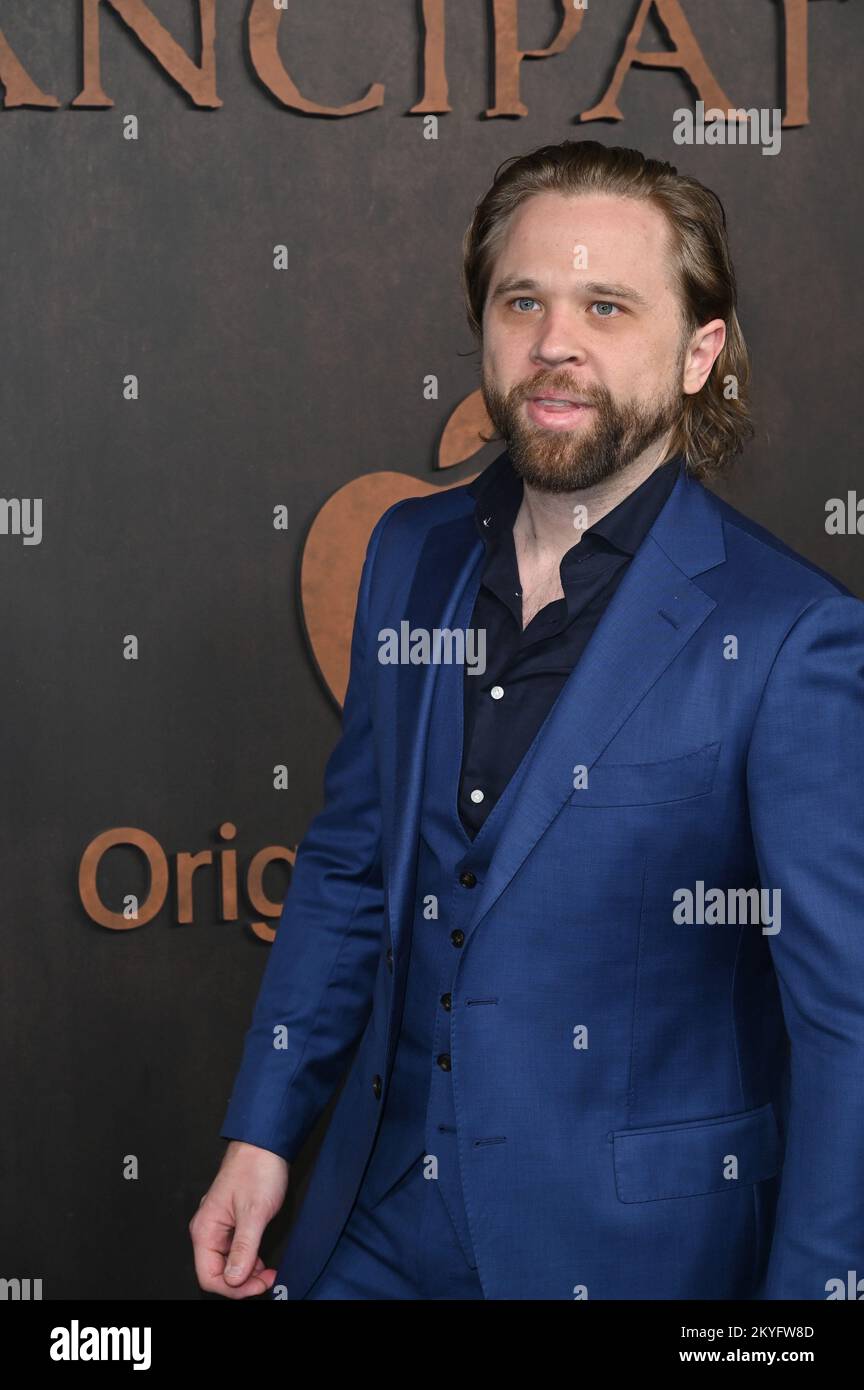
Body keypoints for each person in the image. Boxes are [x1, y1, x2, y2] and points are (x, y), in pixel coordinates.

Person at [190, 140, 864, 1300]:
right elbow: (353, 865)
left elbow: (848, 1026)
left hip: (632, 1257)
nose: (557, 341)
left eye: (608, 304)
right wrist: (262, 1133)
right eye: (525, 300)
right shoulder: (409, 552)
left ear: (701, 351)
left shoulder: (793, 634)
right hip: (370, 1224)